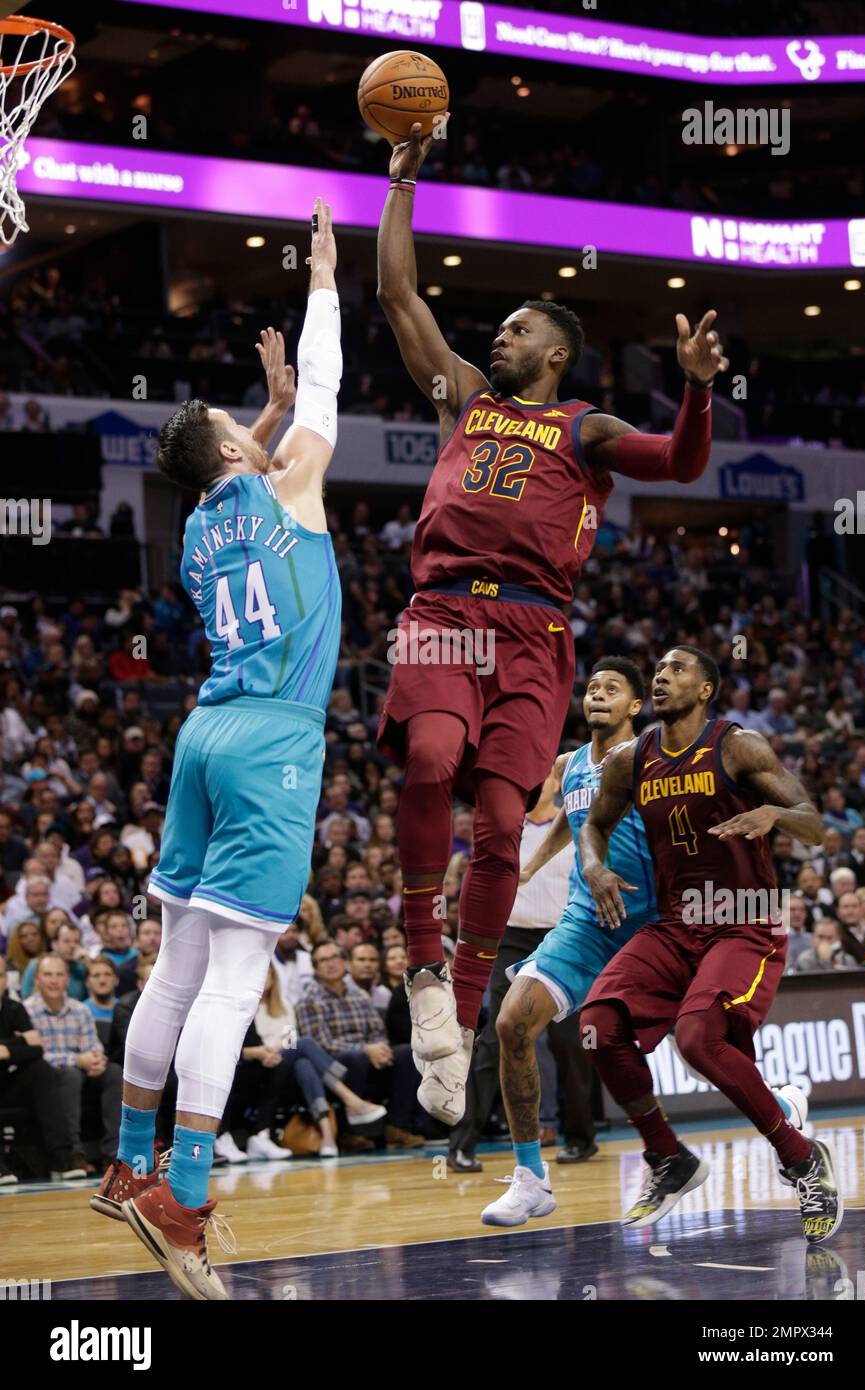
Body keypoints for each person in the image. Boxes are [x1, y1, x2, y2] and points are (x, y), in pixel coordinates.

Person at [375, 121, 729, 1127]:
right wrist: (401, 185)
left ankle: (461, 1020)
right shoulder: (463, 397)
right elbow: (398, 296)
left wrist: (697, 386)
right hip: (444, 611)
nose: (500, 339)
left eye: (518, 330)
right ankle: (424, 964)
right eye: (499, 330)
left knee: (500, 824)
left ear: (556, 353)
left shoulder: (585, 428)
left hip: (534, 632)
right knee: (429, 757)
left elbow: (682, 462)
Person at [89, 200, 344, 1301]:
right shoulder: (290, 490)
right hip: (274, 739)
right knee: (235, 982)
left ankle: (127, 1165)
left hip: (204, 734)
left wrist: (263, 416)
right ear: (241, 452)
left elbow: (237, 465)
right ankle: (182, 1199)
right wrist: (323, 282)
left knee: (176, 970)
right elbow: (323, 392)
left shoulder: (196, 527)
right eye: (250, 429)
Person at [578, 646, 841, 1245]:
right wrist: (593, 866)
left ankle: (802, 1159)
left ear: (705, 690)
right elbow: (593, 825)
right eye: (658, 670)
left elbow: (815, 825)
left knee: (698, 1037)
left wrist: (773, 813)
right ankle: (668, 1157)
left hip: (745, 920)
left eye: (677, 670)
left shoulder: (738, 746)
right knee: (596, 1024)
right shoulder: (632, 758)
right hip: (677, 923)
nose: (661, 677)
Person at [477, 660, 654, 1218]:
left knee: (703, 1043)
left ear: (635, 706)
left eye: (612, 689)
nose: (597, 695)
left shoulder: (652, 758)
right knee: (511, 1022)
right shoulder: (569, 764)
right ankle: (531, 1176)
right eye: (592, 688)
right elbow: (573, 819)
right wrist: (532, 866)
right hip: (585, 922)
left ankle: (777, 1107)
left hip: (651, 922)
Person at [217, 968, 385, 1162]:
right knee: (305, 1045)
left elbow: (290, 1040)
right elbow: (268, 1044)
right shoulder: (247, 1007)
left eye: (268, 974)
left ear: (274, 978)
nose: (263, 978)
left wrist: (276, 1048)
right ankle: (349, 1101)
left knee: (303, 1063)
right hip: (259, 1062)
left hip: (284, 1061)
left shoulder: (285, 1006)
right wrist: (271, 1050)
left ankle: (328, 1135)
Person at [296, 940, 424, 1149]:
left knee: (406, 1053)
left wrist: (380, 1049)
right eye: (323, 960)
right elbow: (320, 1045)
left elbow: (377, 1031)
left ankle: (397, 1127)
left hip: (368, 1054)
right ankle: (351, 1133)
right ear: (315, 968)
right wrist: (364, 1049)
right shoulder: (309, 999)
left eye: (334, 958)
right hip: (333, 1063)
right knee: (357, 1058)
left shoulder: (360, 995)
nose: (330, 964)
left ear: (344, 962)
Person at [26, 953, 123, 1174]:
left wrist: (97, 1060)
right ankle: (74, 1152)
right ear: (37, 979)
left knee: (114, 1072)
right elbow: (37, 1056)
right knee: (70, 1074)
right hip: (50, 1077)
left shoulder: (80, 1009)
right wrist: (78, 1060)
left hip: (84, 1070)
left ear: (67, 979)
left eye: (59, 975)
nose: (54, 980)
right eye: (48, 975)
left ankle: (113, 1151)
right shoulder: (27, 1010)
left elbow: (94, 1046)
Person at [0, 955, 85, 1182]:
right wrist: (19, 1043)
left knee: (40, 1069)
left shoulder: (14, 1008)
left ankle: (62, 1159)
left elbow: (37, 1049)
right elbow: (28, 1044)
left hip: (8, 1083)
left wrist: (6, 1049)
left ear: (6, 979)